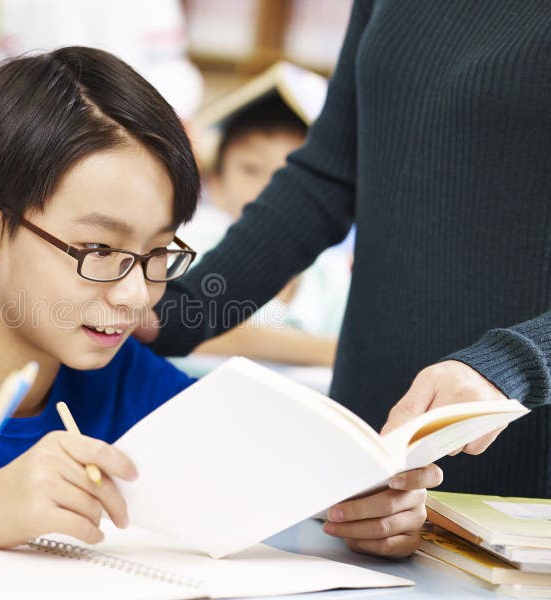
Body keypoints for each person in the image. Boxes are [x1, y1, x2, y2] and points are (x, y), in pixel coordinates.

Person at [0, 47, 437, 557]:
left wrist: (361, 507)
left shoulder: (121, 383)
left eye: (157, 254)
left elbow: (267, 470)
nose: (137, 295)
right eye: (100, 253)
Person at [142, 0, 551, 516]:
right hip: (368, 461)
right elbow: (328, 177)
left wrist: (515, 365)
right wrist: (175, 313)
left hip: (527, 478)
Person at [180, 93, 351, 366]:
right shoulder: (186, 250)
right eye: (251, 169)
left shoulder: (331, 278)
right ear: (216, 183)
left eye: (290, 175)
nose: (271, 187)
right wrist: (328, 352)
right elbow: (174, 325)